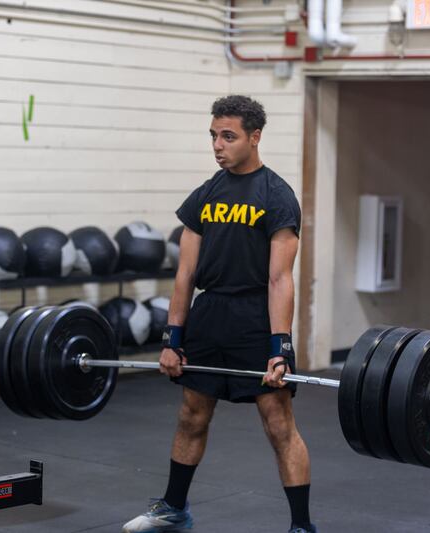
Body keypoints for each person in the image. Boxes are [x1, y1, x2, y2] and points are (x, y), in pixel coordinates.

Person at [122, 95, 315, 533]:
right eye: (213, 135)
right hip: (209, 313)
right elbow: (185, 273)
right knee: (192, 414)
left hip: (254, 317)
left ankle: (301, 526)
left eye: (228, 136)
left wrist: (279, 348)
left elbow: (280, 280)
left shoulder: (277, 196)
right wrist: (171, 339)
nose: (218, 145)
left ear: (255, 137)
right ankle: (173, 508)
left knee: (278, 423)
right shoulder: (205, 194)